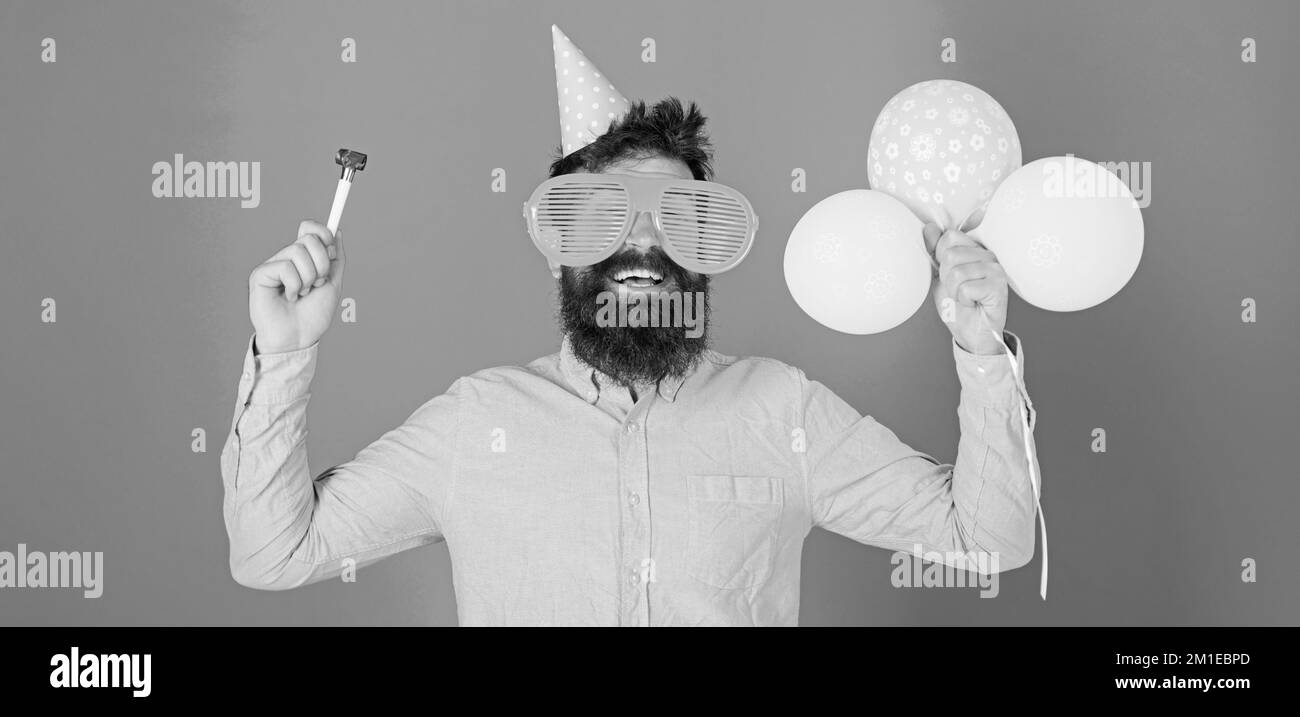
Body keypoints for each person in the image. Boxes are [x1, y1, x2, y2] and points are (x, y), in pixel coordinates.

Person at [220, 29, 1039, 626]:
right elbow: (272, 554)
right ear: (556, 251)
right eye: (605, 216)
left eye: (679, 219)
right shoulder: (476, 424)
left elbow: (989, 538)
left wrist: (980, 350)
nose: (643, 242)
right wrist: (286, 356)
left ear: (706, 253)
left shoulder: (784, 412)